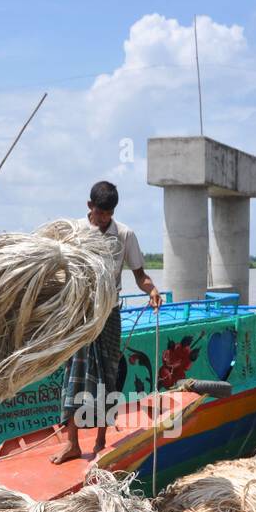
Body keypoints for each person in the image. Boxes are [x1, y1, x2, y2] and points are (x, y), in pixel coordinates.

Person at [50, 180, 163, 464]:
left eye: (108, 214)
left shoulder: (124, 235)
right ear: (90, 207)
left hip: (108, 315)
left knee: (108, 375)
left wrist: (152, 290)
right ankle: (72, 443)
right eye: (100, 213)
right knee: (74, 378)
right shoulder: (73, 232)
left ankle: (101, 440)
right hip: (80, 315)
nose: (103, 219)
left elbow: (140, 275)